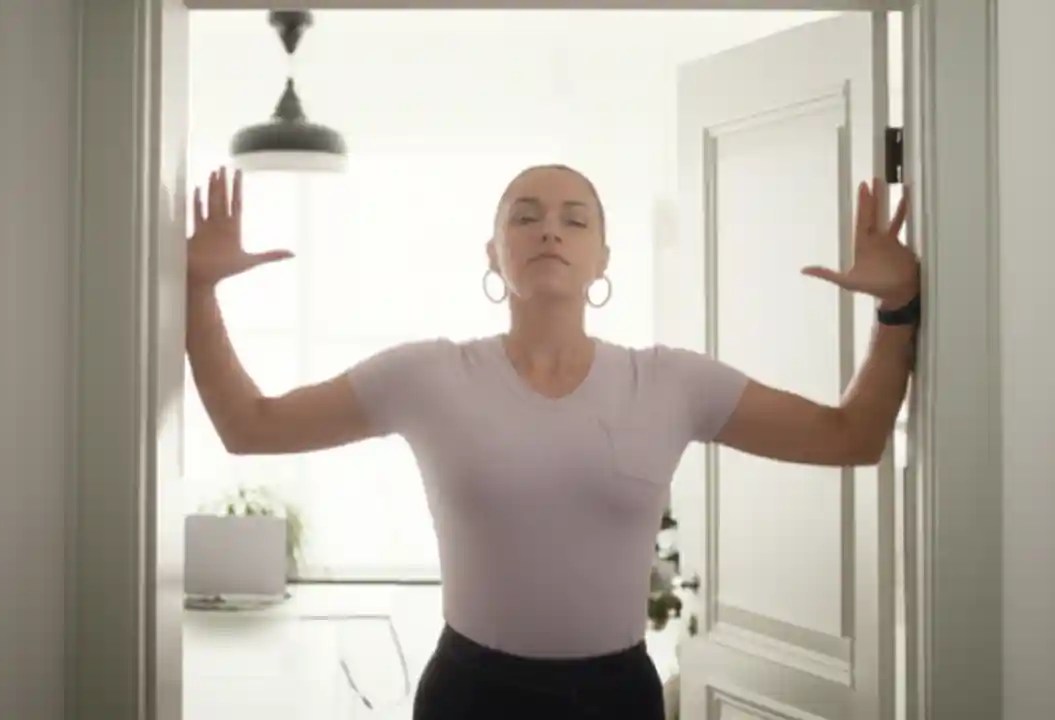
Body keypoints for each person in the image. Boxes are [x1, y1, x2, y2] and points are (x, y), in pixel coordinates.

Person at [186, 163, 919, 720]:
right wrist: (196, 292)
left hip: (616, 696)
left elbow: (850, 437)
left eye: (574, 220)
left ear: (603, 258)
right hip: (469, 693)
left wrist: (897, 308)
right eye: (525, 217)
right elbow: (250, 426)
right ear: (493, 252)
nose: (548, 231)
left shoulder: (672, 383)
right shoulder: (427, 374)